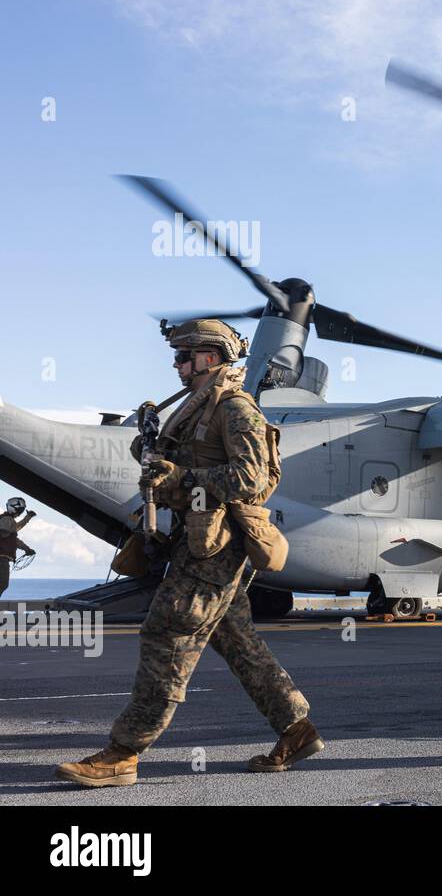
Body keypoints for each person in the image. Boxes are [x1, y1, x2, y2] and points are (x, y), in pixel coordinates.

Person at [55, 319, 320, 787]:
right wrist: (152, 452)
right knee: (239, 643)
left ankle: (124, 753)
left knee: (167, 636)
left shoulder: (234, 407)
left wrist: (182, 478)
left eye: (184, 356)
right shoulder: (195, 407)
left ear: (210, 358)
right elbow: (187, 464)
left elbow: (251, 480)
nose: (177, 365)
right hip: (196, 540)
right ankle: (296, 731)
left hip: (214, 548)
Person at [0, 497, 36, 598]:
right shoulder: (6, 520)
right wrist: (27, 549)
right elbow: (13, 538)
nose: (20, 512)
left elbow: (15, 529)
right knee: (2, 584)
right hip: (1, 559)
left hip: (2, 558)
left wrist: (28, 517)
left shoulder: (6, 519)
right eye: (20, 510)